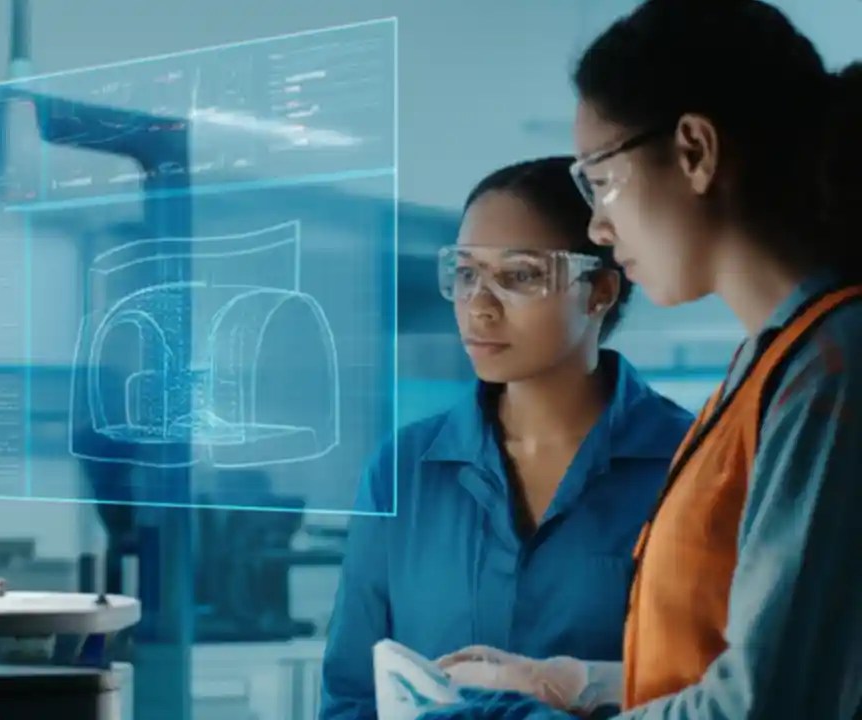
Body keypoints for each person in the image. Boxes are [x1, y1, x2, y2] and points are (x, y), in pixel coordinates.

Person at [422, 1, 862, 718]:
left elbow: (766, 704)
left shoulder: (831, 374)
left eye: (599, 180)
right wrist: (571, 684)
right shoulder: (770, 365)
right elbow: (721, 656)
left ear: (695, 151)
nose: (598, 223)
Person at [318, 156, 694, 720]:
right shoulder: (407, 469)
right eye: (466, 273)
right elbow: (351, 697)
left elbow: (735, 687)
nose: (480, 306)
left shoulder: (690, 465)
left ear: (600, 292)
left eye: (520, 275)